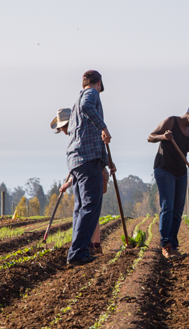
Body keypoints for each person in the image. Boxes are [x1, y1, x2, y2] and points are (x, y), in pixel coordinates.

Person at [65, 70, 115, 266]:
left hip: (76, 160)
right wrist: (104, 127)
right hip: (87, 160)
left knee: (80, 208)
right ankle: (77, 252)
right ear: (99, 83)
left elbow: (84, 134)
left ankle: (79, 251)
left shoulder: (76, 102)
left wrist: (106, 160)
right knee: (90, 205)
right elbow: (88, 106)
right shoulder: (91, 94)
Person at [147, 103, 189, 259]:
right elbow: (150, 136)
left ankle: (173, 245)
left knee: (178, 209)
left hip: (180, 172)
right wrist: (163, 137)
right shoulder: (170, 122)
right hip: (164, 169)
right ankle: (165, 245)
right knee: (168, 206)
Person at [54, 108, 108, 255]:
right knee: (87, 208)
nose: (64, 130)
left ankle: (93, 245)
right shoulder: (76, 137)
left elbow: (91, 156)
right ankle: (88, 245)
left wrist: (108, 164)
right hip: (89, 168)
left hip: (96, 170)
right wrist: (68, 183)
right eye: (61, 128)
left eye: (64, 126)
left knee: (89, 208)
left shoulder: (82, 133)